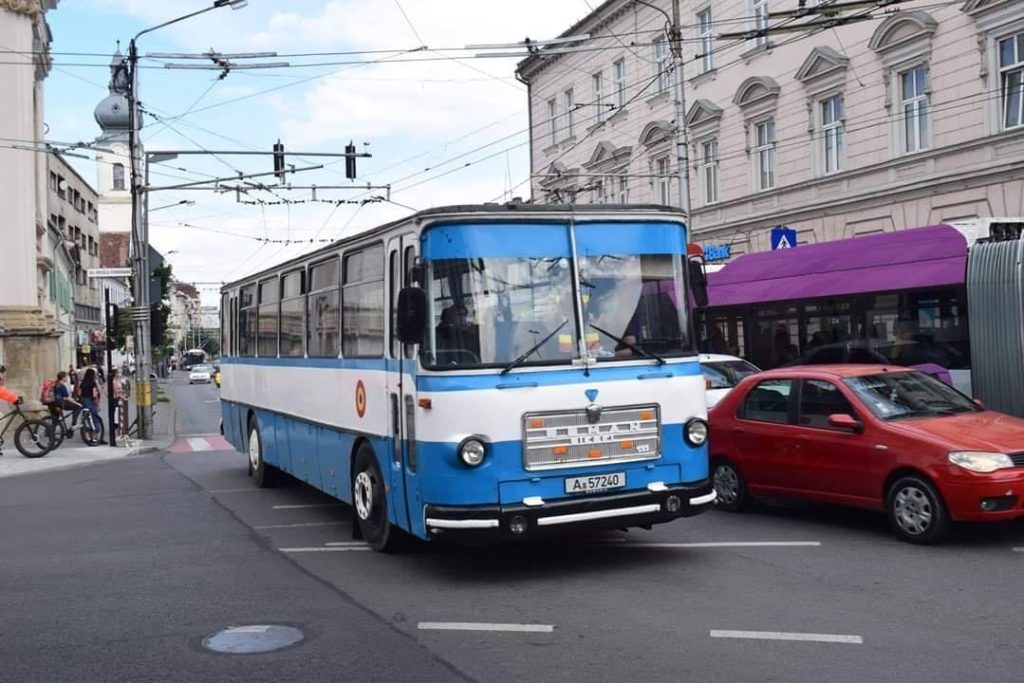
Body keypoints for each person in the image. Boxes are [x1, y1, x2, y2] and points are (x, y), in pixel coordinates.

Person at [78, 368, 106, 444]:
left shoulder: (83, 383)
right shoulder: (93, 383)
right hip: (91, 401)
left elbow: (79, 393)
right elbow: (94, 395)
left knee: (87, 419)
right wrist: (97, 404)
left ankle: (88, 436)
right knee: (95, 418)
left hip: (84, 401)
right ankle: (95, 437)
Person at [51, 371, 83, 436]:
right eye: (66, 377)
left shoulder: (56, 384)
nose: (67, 378)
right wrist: (77, 403)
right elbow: (68, 398)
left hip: (54, 403)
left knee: (55, 419)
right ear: (63, 378)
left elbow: (60, 396)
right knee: (77, 408)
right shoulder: (62, 386)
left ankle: (50, 432)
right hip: (61, 404)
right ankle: (73, 425)